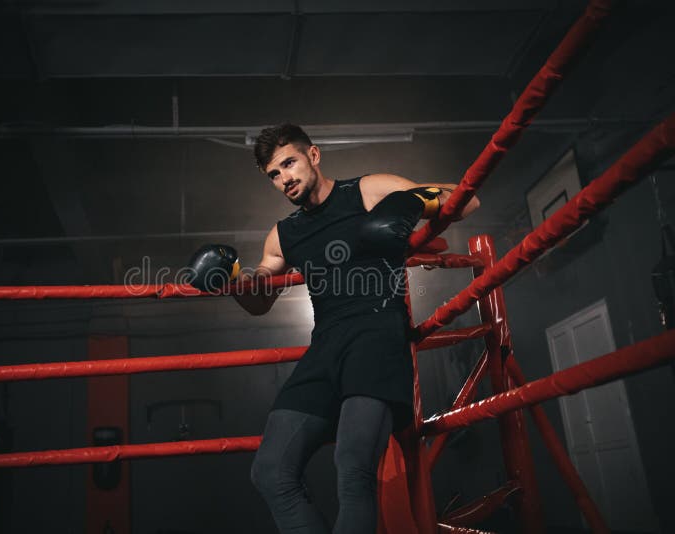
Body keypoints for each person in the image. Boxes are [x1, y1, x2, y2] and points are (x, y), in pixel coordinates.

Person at [187, 124, 479, 534]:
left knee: (353, 469)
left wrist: (409, 203)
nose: (285, 178)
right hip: (325, 348)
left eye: (289, 163)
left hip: (377, 336)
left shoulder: (367, 190)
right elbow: (259, 299)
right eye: (274, 174)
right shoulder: (282, 235)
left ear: (314, 155)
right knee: (270, 472)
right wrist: (231, 280)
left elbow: (467, 200)